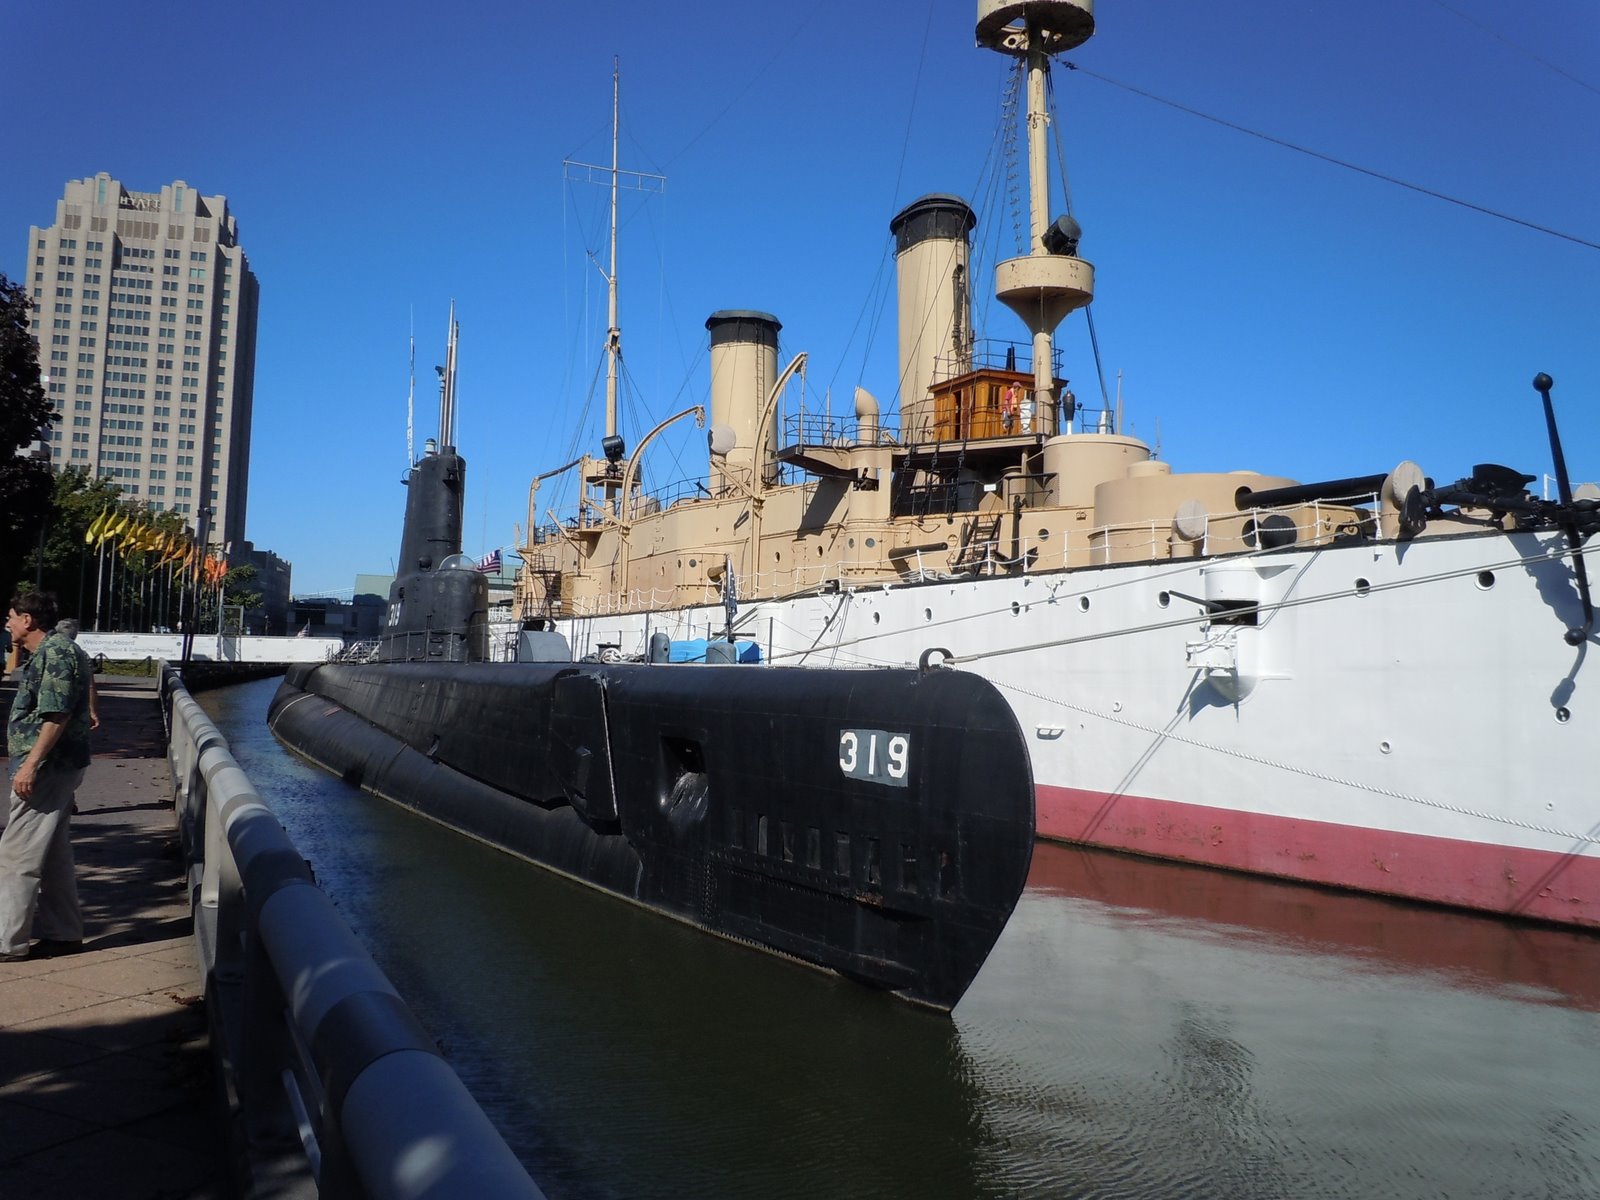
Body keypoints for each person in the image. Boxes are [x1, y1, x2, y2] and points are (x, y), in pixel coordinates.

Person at [0, 591, 94, 961]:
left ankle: (7, 941)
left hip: (49, 767)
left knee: (17, 853)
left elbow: (56, 715)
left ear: (28, 620)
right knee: (53, 855)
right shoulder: (56, 650)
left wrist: (29, 765)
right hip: (61, 766)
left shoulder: (55, 652)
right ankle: (65, 933)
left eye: (11, 616)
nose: (7, 623)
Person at [53, 619, 100, 730]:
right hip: (74, 710)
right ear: (75, 635)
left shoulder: (45, 650)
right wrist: (92, 711)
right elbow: (90, 686)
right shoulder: (81, 654)